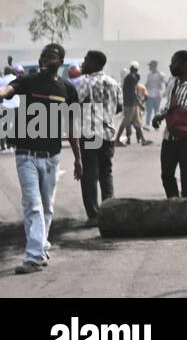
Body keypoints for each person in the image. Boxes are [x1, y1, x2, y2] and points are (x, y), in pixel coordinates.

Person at [0, 43, 83, 274]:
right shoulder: (28, 81)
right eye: (43, 55)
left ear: (61, 61)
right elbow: (9, 90)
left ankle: (42, 246)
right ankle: (34, 257)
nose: (45, 59)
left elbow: (71, 126)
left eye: (51, 56)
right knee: (33, 205)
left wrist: (78, 158)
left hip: (52, 157)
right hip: (26, 155)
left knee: (46, 207)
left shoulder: (67, 89)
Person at [151, 50, 187, 199]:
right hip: (169, 136)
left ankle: (186, 209)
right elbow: (169, 104)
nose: (171, 66)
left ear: (184, 64)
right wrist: (160, 116)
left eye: (174, 63)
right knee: (166, 175)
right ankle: (175, 204)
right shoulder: (172, 81)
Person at [76, 50, 121, 226]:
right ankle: (109, 211)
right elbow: (118, 107)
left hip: (90, 133)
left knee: (89, 176)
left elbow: (73, 104)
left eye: (85, 61)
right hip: (108, 134)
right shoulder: (113, 82)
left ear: (94, 64)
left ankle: (94, 215)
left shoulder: (83, 82)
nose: (83, 64)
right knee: (106, 173)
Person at [115, 62, 149, 146]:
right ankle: (117, 140)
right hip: (130, 103)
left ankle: (143, 140)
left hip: (130, 102)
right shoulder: (132, 78)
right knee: (126, 121)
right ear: (136, 70)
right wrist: (140, 104)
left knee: (136, 121)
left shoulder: (129, 77)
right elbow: (133, 93)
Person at [144, 60, 165, 126]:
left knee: (156, 111)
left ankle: (156, 124)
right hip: (149, 95)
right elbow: (147, 84)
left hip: (157, 95)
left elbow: (166, 83)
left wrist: (165, 93)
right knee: (149, 111)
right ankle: (147, 124)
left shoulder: (160, 75)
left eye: (150, 66)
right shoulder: (149, 74)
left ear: (154, 66)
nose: (149, 67)